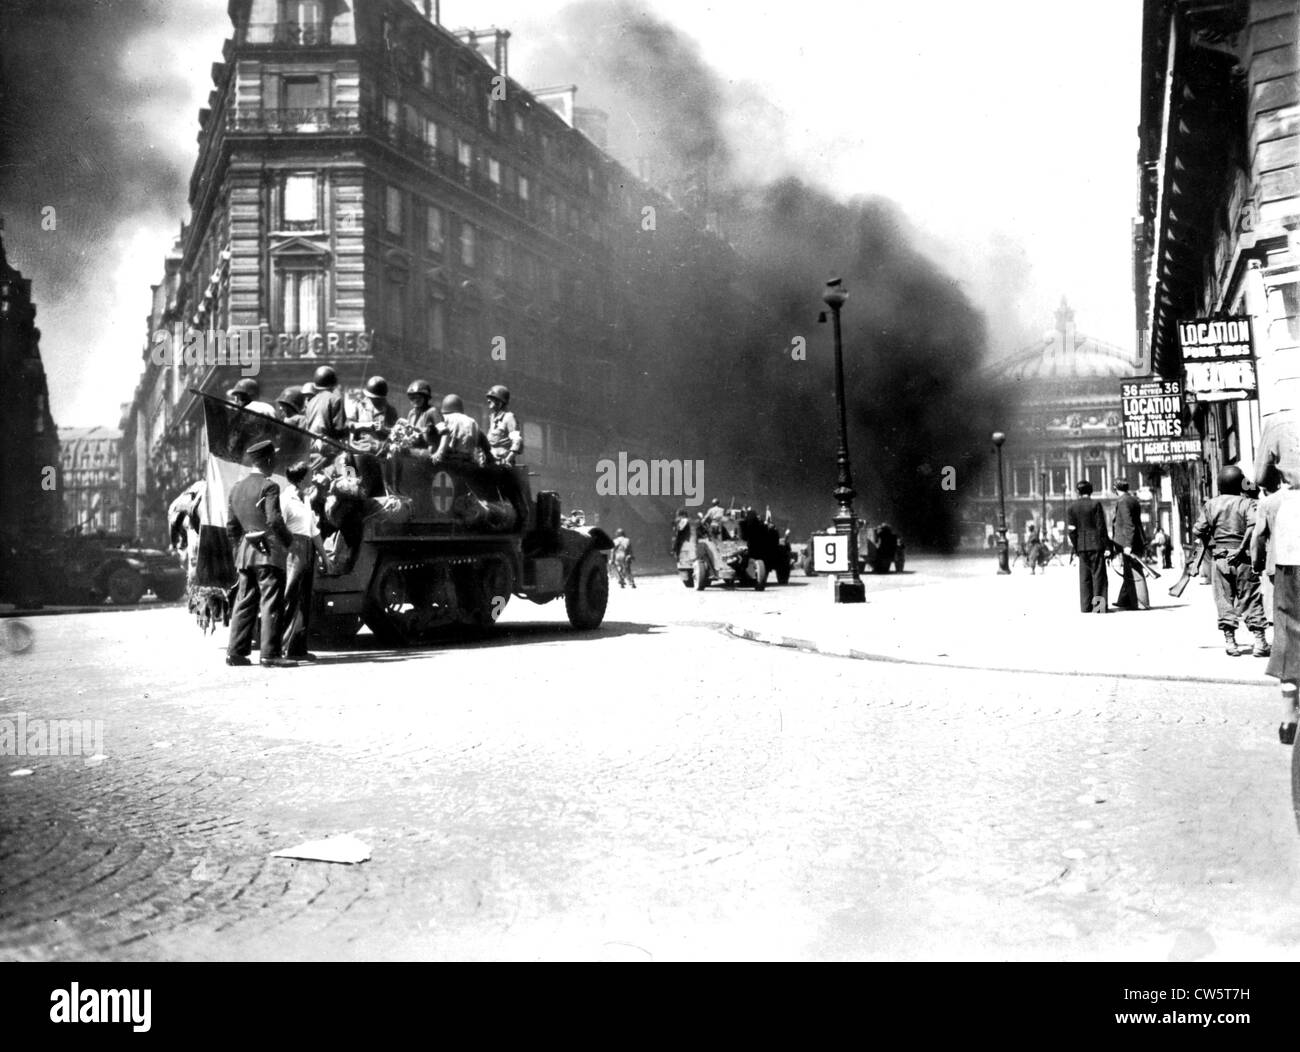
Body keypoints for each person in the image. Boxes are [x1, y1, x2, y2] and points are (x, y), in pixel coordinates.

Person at [225, 440, 296, 667]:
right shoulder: (270, 486)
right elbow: (274, 519)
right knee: (271, 602)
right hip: (269, 553)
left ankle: (235, 653)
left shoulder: (236, 488)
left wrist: (240, 551)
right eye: (273, 458)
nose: (275, 461)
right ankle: (270, 654)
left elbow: (231, 527)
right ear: (266, 461)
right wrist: (289, 543)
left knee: (244, 602)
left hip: (246, 554)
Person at [1193, 464, 1268, 657]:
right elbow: (1253, 526)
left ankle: (1230, 642)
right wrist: (1242, 548)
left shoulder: (1211, 504)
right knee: (1251, 598)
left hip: (1220, 559)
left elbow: (1198, 530)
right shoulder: (1247, 503)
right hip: (1243, 559)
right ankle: (1259, 642)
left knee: (1224, 600)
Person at [1252, 466, 1300, 743]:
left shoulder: (1272, 502)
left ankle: (1288, 719)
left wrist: (1257, 562)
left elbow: (1258, 536)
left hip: (1286, 570)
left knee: (1287, 638)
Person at [280, 461, 330, 662]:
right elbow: (279, 527)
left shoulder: (306, 498)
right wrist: (289, 549)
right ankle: (284, 647)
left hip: (308, 547)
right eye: (310, 474)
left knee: (304, 600)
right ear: (301, 478)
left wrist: (325, 557)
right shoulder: (285, 499)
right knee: (290, 597)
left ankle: (298, 648)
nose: (313, 476)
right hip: (293, 549)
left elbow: (313, 530)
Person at [1066, 480, 1111, 613]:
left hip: (1081, 546)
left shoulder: (1072, 507)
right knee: (1098, 576)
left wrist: (1076, 546)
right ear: (1090, 491)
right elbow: (1101, 527)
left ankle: (1085, 607)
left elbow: (1071, 530)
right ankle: (1099, 607)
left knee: (1084, 577)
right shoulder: (1095, 504)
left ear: (1078, 492)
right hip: (1096, 544)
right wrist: (1107, 546)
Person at [1111, 479, 1150, 611]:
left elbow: (1129, 524)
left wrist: (1128, 544)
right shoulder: (1133, 499)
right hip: (1136, 540)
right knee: (1129, 570)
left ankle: (1142, 603)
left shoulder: (1122, 501)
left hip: (1129, 542)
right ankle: (1123, 600)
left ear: (1115, 488)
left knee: (1135, 572)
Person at [429, 394, 493, 467]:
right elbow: (486, 446)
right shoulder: (472, 422)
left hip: (447, 461)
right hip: (468, 463)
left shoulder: (442, 418)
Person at [347, 375, 398, 455]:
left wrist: (385, 429)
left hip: (379, 451)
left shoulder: (390, 411)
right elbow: (348, 425)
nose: (374, 400)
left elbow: (396, 434)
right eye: (371, 398)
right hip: (359, 449)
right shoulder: (359, 406)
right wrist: (365, 425)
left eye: (378, 399)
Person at [304, 365, 348, 452]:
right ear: (334, 383)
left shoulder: (311, 401)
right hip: (327, 447)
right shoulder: (335, 399)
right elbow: (340, 430)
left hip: (312, 447)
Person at [485, 384, 523, 466]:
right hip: (492, 463)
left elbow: (517, 440)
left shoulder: (509, 417)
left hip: (503, 465)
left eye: (492, 398)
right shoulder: (492, 418)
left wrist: (507, 460)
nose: (488, 401)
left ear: (500, 402)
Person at [403, 380, 444, 449]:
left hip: (428, 453)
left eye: (418, 397)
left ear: (425, 397)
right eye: (412, 398)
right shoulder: (411, 413)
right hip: (413, 452)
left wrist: (440, 452)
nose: (415, 400)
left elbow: (445, 433)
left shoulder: (432, 411)